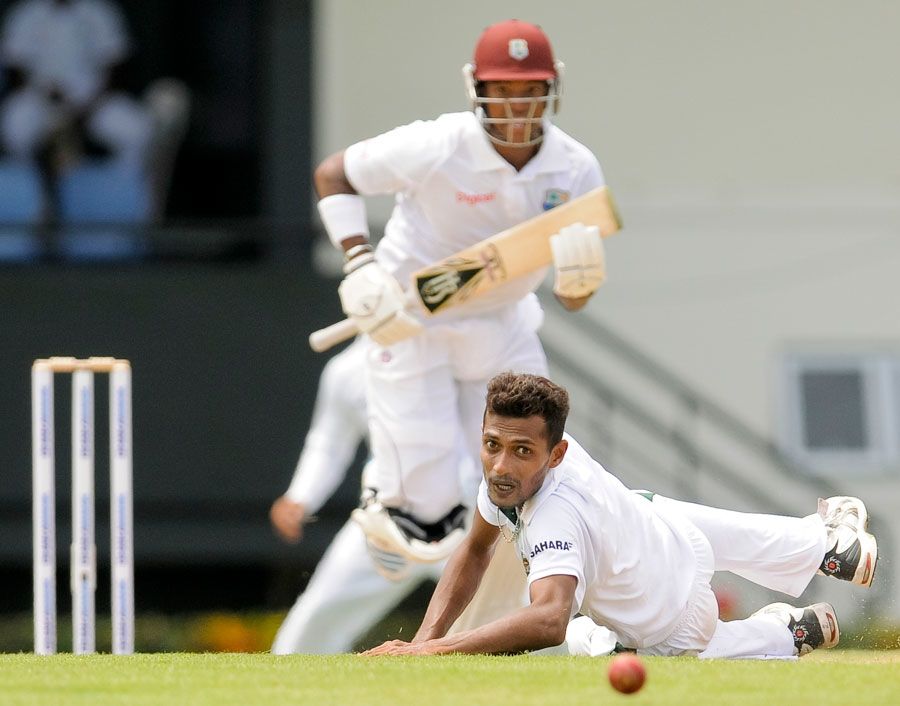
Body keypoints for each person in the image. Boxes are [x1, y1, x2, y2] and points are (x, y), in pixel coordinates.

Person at [313, 19, 609, 565]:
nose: (517, 108)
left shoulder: (575, 168)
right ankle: (391, 495)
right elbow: (334, 175)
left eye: (530, 91)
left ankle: (538, 566)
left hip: (502, 320)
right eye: (503, 91)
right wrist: (359, 264)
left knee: (529, 467)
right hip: (409, 316)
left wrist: (578, 286)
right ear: (477, 87)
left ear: (552, 88)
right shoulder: (438, 143)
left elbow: (574, 298)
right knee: (422, 514)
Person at [364, 372, 878, 658]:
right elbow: (475, 548)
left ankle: (784, 635)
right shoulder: (525, 463)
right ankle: (829, 550)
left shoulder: (553, 516)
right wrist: (421, 641)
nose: (500, 464)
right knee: (643, 505)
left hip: (669, 620)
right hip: (666, 535)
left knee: (596, 647)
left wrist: (436, 651)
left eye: (521, 450)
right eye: (491, 444)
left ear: (556, 453)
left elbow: (548, 622)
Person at [269, 338, 530, 653]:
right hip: (385, 521)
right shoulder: (346, 370)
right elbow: (328, 442)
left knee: (524, 613)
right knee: (314, 620)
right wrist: (301, 495)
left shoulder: (460, 349)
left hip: (470, 516)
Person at [0, 0, 189, 219]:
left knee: (137, 132)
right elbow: (15, 66)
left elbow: (116, 63)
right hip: (41, 98)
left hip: (92, 101)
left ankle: (127, 205)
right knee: (15, 125)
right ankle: (33, 205)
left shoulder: (99, 10)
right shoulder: (27, 11)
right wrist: (43, 95)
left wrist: (90, 104)